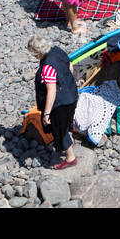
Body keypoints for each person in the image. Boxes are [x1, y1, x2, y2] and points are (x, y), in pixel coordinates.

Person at [29, 36, 79, 169]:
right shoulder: (57, 51)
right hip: (72, 95)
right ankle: (70, 142)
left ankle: (70, 157)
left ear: (38, 53)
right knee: (66, 121)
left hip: (60, 102)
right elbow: (70, 67)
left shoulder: (47, 67)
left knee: (59, 128)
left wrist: (46, 114)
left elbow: (51, 91)